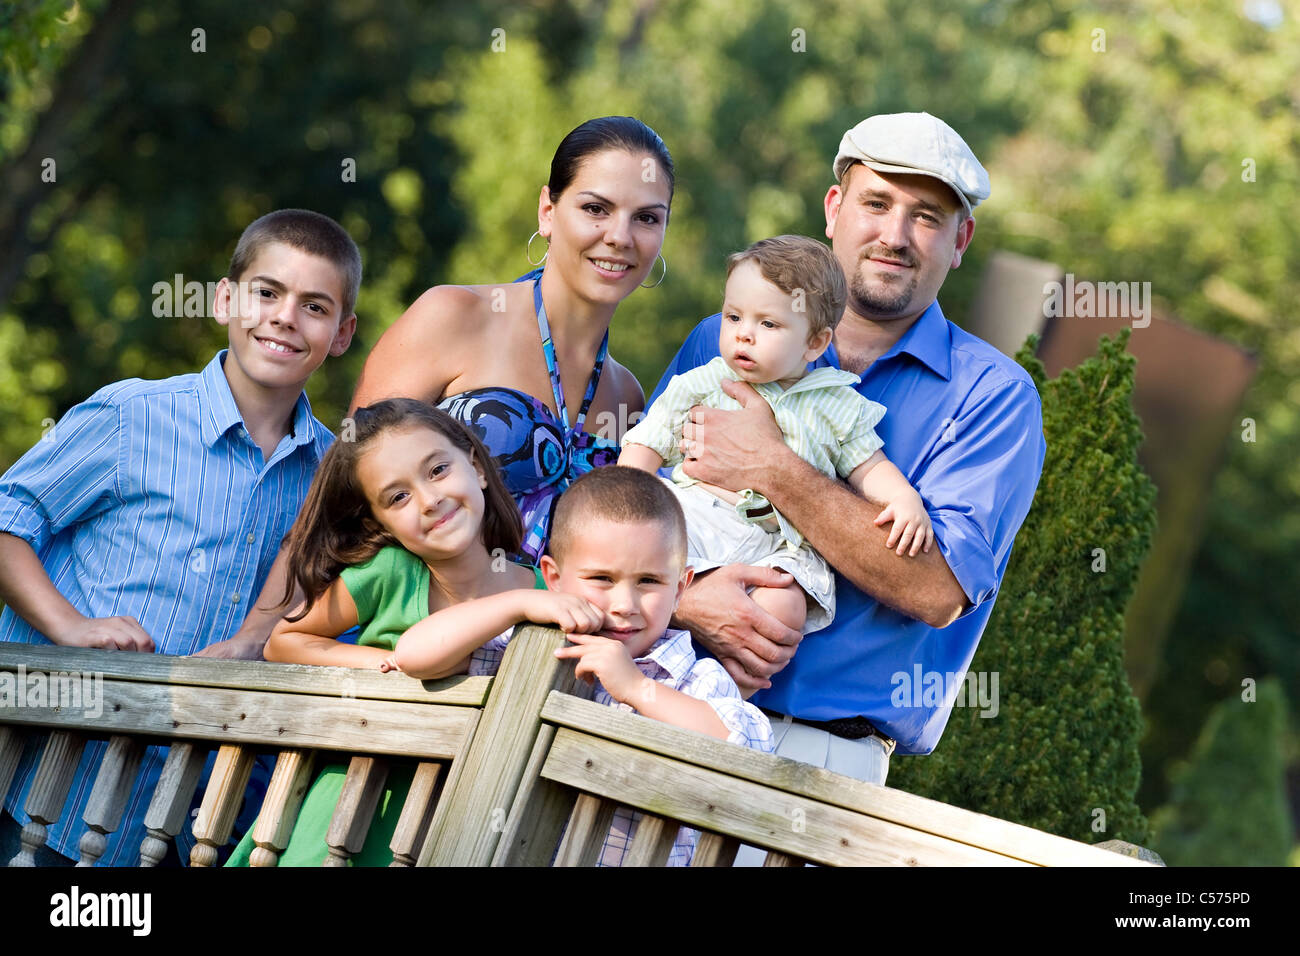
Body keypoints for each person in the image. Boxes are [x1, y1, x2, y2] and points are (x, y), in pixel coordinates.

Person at [656, 112, 1046, 785]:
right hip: (663, 707)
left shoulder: (994, 398)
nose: (895, 235)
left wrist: (774, 468)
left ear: (962, 240)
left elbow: (936, 587)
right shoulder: (724, 340)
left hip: (821, 765)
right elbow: (627, 519)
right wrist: (679, 601)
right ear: (835, 209)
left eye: (926, 216)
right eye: (876, 203)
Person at [0, 208, 360, 865]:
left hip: (166, 817)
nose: (285, 317)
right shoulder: (133, 415)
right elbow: (8, 519)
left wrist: (258, 641)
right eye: (267, 292)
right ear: (226, 299)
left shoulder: (333, 477)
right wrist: (71, 625)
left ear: (342, 334)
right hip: (35, 776)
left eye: (315, 306)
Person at [227, 400, 606, 866]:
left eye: (438, 470)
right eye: (397, 498)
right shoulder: (391, 570)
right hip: (350, 810)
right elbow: (284, 642)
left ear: (476, 467)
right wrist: (379, 666)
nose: (429, 500)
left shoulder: (548, 592)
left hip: (467, 829)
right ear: (379, 523)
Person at [349, 116, 673, 561]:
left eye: (646, 218)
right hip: (401, 621)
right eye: (595, 209)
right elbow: (345, 488)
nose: (619, 237)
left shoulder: (626, 395)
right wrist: (266, 627)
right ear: (547, 211)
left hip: (553, 626)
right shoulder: (453, 318)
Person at [620, 235, 931, 642]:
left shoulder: (835, 402)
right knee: (645, 558)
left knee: (785, 607)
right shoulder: (709, 381)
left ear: (815, 342)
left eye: (768, 324)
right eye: (733, 317)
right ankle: (643, 663)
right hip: (700, 516)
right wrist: (626, 498)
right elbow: (650, 439)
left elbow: (869, 466)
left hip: (778, 543)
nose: (743, 335)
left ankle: (724, 695)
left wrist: (904, 499)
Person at [545, 466, 773, 865]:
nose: (625, 605)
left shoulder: (695, 680)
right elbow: (422, 651)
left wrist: (637, 688)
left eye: (648, 581)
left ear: (680, 587)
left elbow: (750, 751)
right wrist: (518, 604)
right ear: (554, 578)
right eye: (601, 578)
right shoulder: (539, 649)